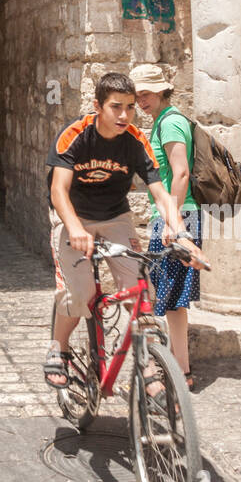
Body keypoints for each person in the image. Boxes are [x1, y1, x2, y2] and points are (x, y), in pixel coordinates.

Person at [43, 71, 203, 389]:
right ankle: (58, 348)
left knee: (140, 291)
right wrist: (74, 228)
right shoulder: (74, 135)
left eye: (130, 107)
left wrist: (181, 233)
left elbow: (160, 193)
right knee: (80, 293)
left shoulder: (135, 141)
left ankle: (147, 365)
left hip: (116, 217)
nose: (124, 115)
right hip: (74, 216)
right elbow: (58, 190)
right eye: (116, 107)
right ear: (97, 106)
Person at [131, 63, 202, 390]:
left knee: (171, 296)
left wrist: (173, 222)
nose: (141, 101)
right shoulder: (165, 120)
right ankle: (178, 367)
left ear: (161, 91)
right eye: (138, 96)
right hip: (175, 216)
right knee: (171, 296)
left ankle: (179, 371)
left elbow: (181, 172)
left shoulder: (170, 123)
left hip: (178, 216)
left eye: (146, 94)